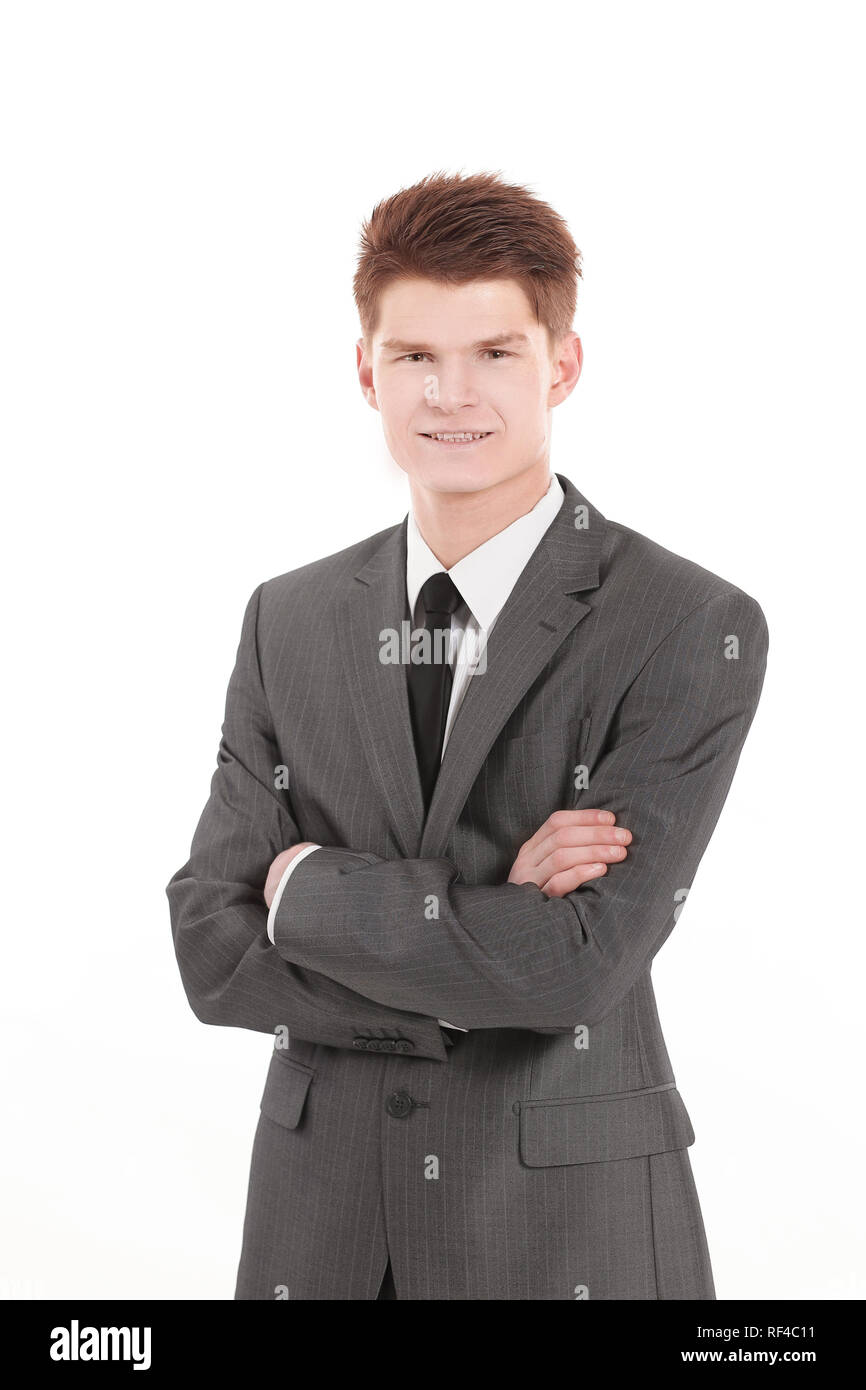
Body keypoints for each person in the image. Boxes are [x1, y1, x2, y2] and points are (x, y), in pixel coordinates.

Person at [166, 170, 768, 1300]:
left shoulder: (688, 624)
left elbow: (574, 966)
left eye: (493, 353)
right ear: (365, 371)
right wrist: (483, 928)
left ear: (561, 364)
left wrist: (301, 892)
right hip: (319, 1229)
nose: (451, 395)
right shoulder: (285, 618)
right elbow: (208, 942)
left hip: (559, 1232)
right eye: (413, 358)